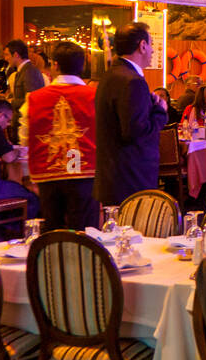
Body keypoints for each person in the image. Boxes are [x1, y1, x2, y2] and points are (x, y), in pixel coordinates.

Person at [20, 40, 99, 230]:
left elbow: (25, 137)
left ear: (55, 65)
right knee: (84, 231)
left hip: (49, 174)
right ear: (83, 65)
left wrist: (30, 174)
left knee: (53, 229)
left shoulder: (34, 98)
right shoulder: (95, 96)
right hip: (84, 171)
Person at [94, 21, 169, 207]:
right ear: (142, 46)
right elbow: (136, 132)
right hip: (132, 178)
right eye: (151, 44)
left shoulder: (110, 75)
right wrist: (160, 111)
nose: (153, 50)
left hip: (112, 175)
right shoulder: (133, 81)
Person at [5, 39, 46, 132]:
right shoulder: (22, 71)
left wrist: (10, 102)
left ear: (16, 55)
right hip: (21, 124)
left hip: (26, 127)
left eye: (7, 55)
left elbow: (32, 100)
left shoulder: (29, 71)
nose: (6, 58)